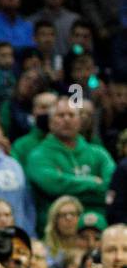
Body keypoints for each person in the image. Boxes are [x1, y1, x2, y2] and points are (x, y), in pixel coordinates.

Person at [26, 96, 114, 228]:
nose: (66, 119)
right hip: (55, 228)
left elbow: (112, 186)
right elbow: (53, 186)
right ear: (50, 122)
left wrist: (67, 184)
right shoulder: (38, 155)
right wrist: (93, 183)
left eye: (71, 115)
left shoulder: (99, 153)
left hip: (99, 226)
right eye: (60, 115)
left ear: (80, 121)